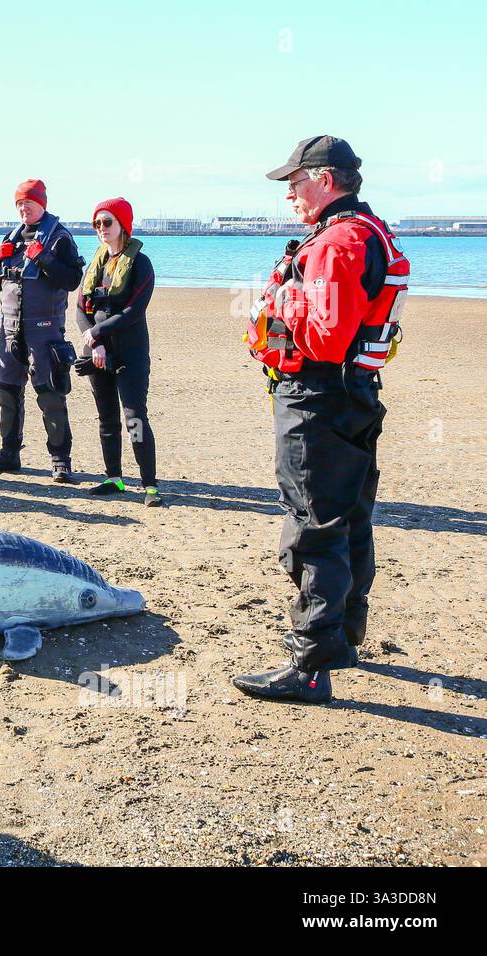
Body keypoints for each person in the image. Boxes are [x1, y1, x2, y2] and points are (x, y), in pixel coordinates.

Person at [234, 136, 408, 704]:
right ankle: (344, 636)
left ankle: (311, 664)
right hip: (353, 396)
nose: (289, 194)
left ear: (325, 180)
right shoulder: (367, 231)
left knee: (312, 528)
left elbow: (327, 339)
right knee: (350, 518)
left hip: (318, 397)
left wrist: (282, 304)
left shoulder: (338, 242)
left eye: (295, 182)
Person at [0, 179, 84, 481]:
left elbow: (71, 280)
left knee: (49, 393)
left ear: (42, 204)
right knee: (8, 393)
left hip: (45, 330)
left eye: (30, 202)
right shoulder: (10, 237)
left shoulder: (60, 237)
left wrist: (43, 257)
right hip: (10, 330)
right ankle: (9, 454)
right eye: (20, 204)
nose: (24, 208)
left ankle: (60, 460)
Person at [73, 197, 161, 506]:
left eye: (107, 222)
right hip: (98, 352)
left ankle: (150, 486)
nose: (101, 229)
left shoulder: (141, 263)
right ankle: (114, 478)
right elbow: (81, 308)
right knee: (106, 417)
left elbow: (133, 312)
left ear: (123, 225)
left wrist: (96, 333)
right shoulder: (96, 263)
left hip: (130, 352)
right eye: (96, 223)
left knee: (134, 416)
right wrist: (94, 343)